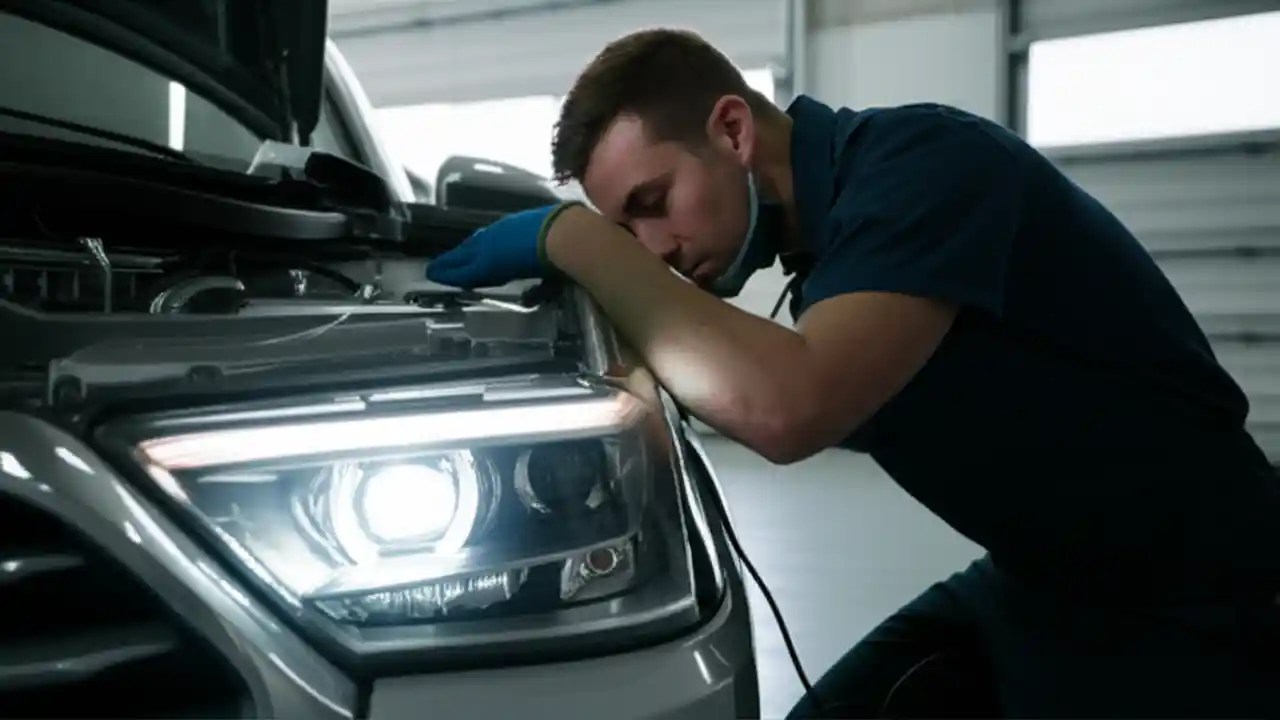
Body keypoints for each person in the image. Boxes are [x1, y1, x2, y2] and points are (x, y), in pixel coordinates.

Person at [426, 28, 1280, 718]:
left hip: (1201, 601)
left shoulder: (924, 167)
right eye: (623, 232)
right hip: (1039, 585)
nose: (654, 249)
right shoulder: (824, 264)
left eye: (651, 204)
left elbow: (789, 406)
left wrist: (573, 241)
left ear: (732, 129)